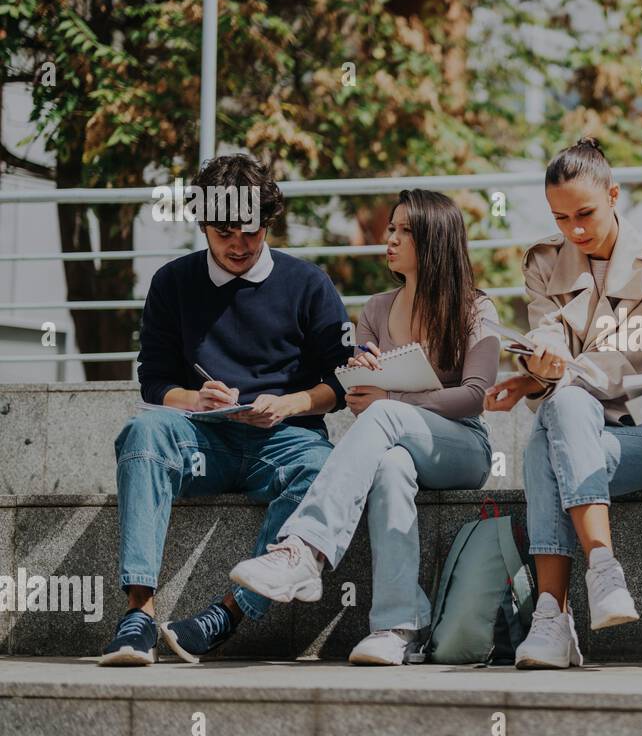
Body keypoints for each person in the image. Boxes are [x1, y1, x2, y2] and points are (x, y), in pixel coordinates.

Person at [229, 190, 499, 665]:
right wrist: (366, 385)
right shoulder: (374, 310)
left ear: (434, 240)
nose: (388, 238)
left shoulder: (476, 309)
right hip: (398, 444)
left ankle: (305, 550)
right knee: (391, 466)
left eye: (402, 231)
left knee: (387, 416)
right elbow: (358, 402)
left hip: (462, 447)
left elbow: (475, 395)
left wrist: (392, 398)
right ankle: (397, 626)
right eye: (389, 228)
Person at [101, 154, 351, 666]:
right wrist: (195, 400)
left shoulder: (309, 283)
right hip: (203, 442)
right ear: (202, 225)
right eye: (223, 231)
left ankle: (227, 614)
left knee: (326, 468)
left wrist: (289, 404)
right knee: (143, 432)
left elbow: (341, 382)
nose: (238, 244)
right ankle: (138, 616)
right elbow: (154, 379)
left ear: (268, 222)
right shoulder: (172, 283)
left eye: (251, 231)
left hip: (285, 442)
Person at [487, 138, 642, 669]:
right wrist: (538, 365)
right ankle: (600, 569)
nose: (574, 229)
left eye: (585, 213)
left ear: (615, 195)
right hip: (578, 425)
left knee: (546, 441)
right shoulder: (544, 261)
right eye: (561, 216)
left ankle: (553, 617)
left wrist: (539, 380)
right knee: (563, 415)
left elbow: (623, 362)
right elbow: (545, 334)